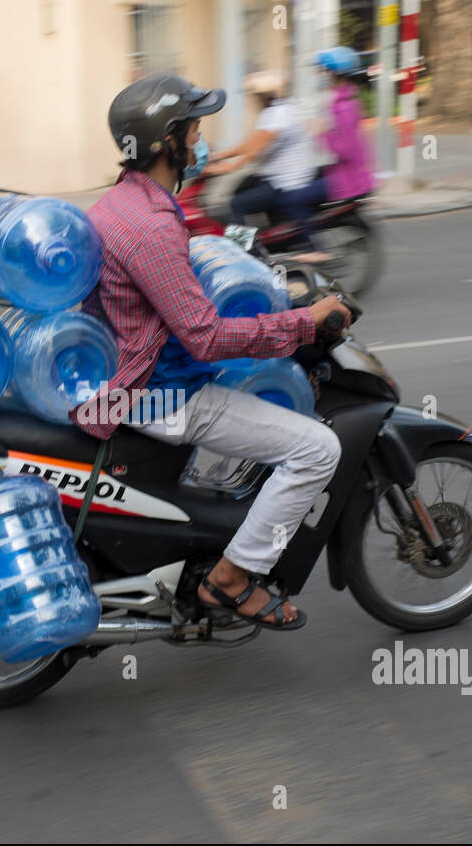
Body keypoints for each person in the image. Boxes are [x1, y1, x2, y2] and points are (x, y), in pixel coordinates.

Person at [73, 73, 344, 630]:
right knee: (318, 449)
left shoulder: (120, 203)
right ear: (166, 141)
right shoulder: (151, 224)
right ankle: (232, 577)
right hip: (160, 397)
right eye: (193, 131)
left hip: (121, 377)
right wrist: (301, 323)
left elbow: (176, 287)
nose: (201, 143)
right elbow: (205, 336)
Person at [204, 70, 323, 252]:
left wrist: (222, 168)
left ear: (265, 95)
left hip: (284, 182)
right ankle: (267, 237)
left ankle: (249, 253)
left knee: (235, 205)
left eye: (256, 95)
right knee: (241, 189)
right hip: (276, 177)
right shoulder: (278, 111)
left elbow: (254, 152)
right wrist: (218, 156)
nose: (254, 100)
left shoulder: (278, 115)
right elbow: (251, 143)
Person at [315, 47, 374, 202]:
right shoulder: (344, 100)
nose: (322, 75)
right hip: (345, 174)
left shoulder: (344, 107)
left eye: (324, 71)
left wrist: (321, 133)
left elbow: (345, 150)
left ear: (335, 74)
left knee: (296, 199)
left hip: (347, 180)